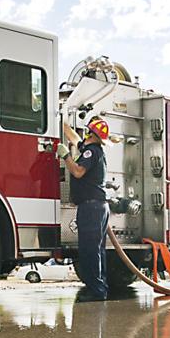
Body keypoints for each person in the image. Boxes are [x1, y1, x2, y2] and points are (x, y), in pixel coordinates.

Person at [59, 116, 110, 300]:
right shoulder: (93, 149)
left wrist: (66, 156)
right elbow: (74, 138)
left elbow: (78, 171)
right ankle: (99, 288)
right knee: (97, 249)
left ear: (91, 133)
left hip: (91, 207)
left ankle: (96, 291)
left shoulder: (91, 152)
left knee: (90, 250)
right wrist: (62, 121)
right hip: (97, 207)